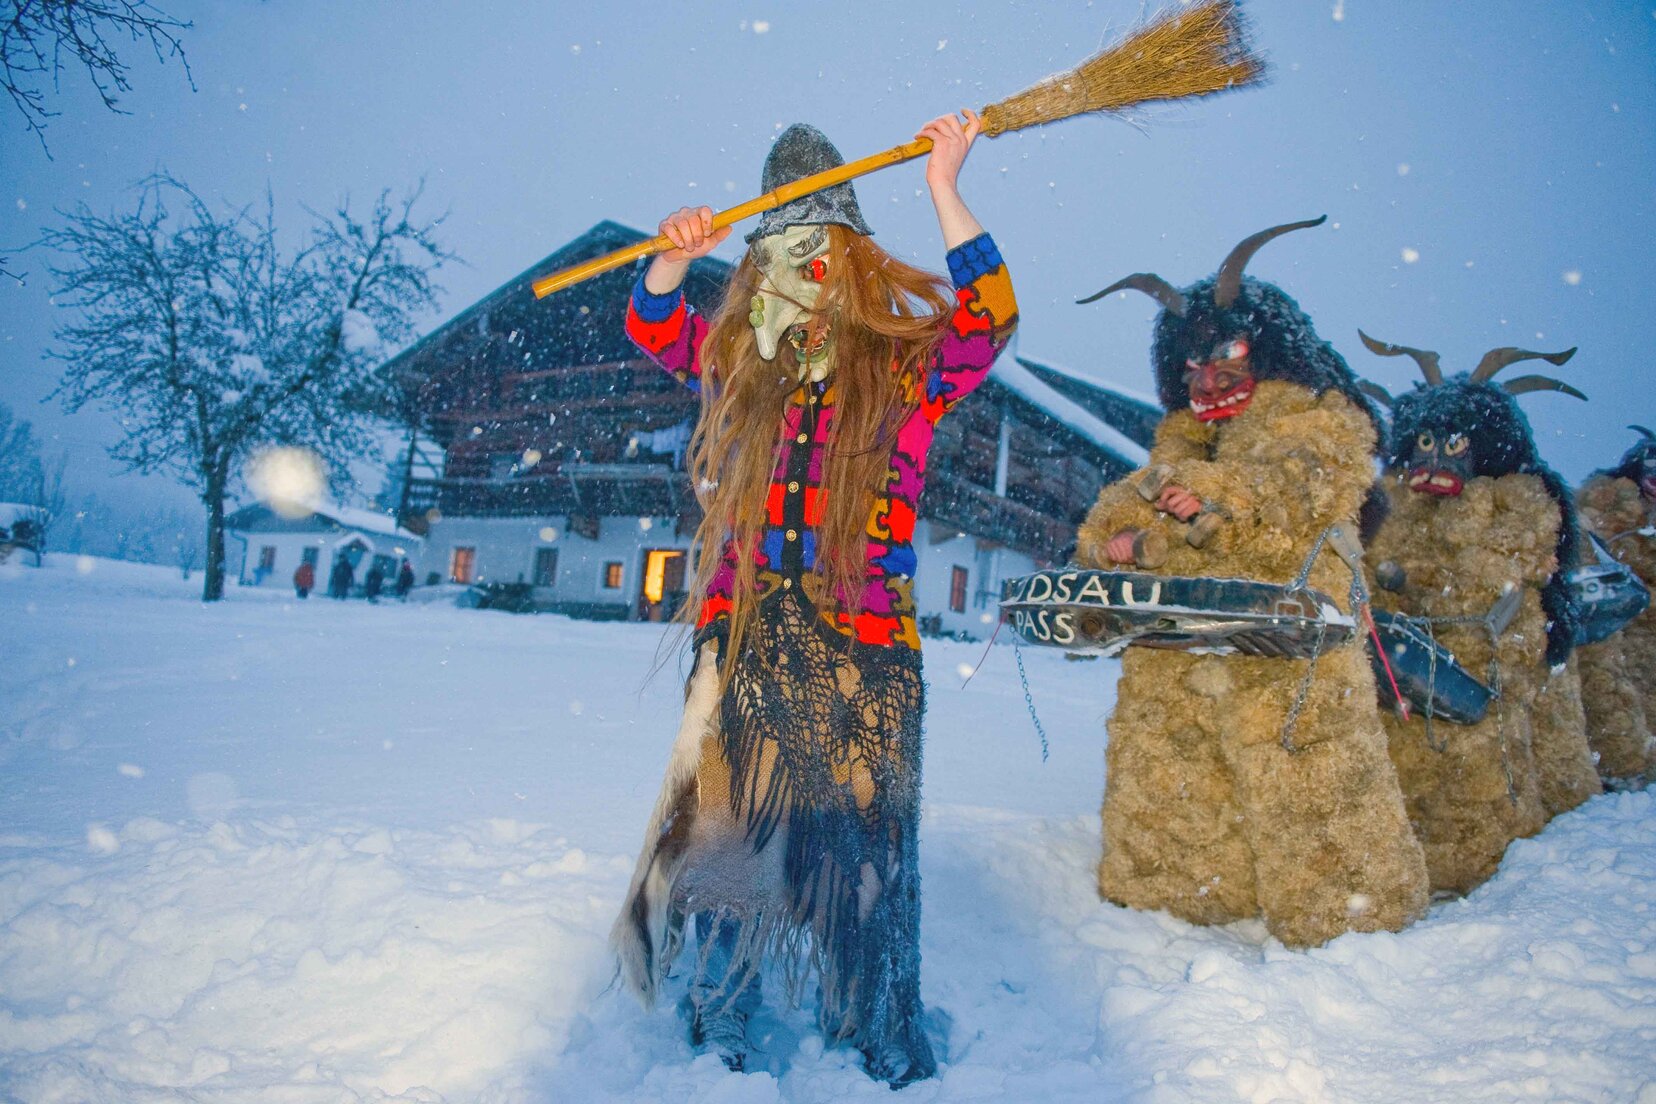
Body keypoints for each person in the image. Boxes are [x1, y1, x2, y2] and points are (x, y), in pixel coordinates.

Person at [610, 114, 1016, 1085]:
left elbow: (988, 318)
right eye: (780, 252)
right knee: (721, 855)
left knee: (860, 867)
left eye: (819, 248)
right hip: (741, 644)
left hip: (864, 657)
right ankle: (720, 1033)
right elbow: (654, 325)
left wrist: (947, 188)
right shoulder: (739, 372)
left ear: (852, 258)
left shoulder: (905, 371)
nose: (802, 271)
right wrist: (675, 258)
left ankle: (873, 1032)